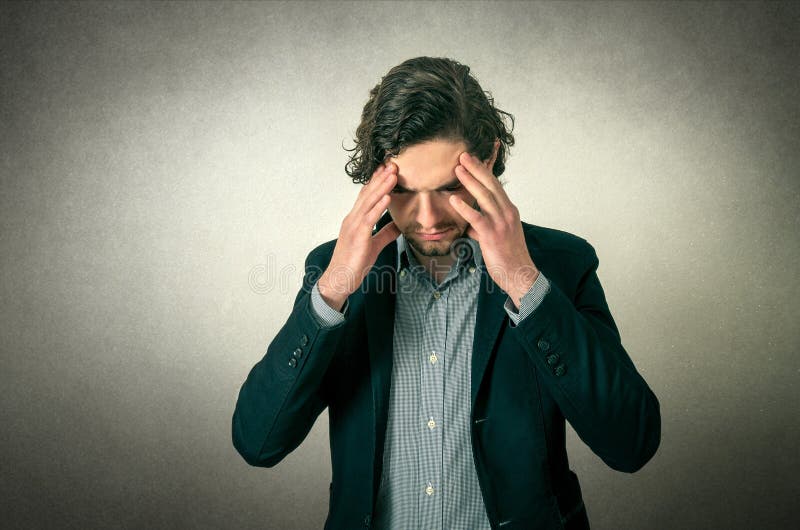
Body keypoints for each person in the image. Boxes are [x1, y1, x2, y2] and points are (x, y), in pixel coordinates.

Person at [232, 56, 660, 530]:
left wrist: (524, 281)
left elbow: (632, 444)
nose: (429, 218)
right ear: (375, 177)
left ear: (489, 159)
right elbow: (258, 442)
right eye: (404, 191)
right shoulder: (333, 272)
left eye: (449, 188)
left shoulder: (562, 264)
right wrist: (332, 293)